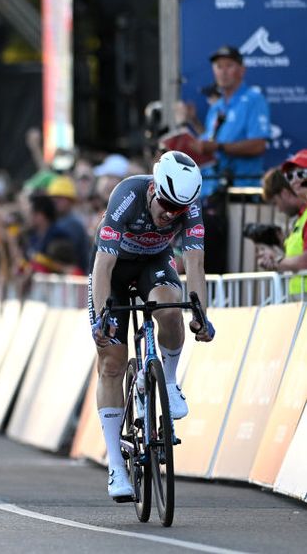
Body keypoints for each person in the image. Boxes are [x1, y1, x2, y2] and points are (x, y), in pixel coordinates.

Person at [88, 151, 215, 501]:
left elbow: (195, 262)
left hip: (153, 264)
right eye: (166, 206)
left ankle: (170, 383)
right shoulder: (126, 195)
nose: (170, 215)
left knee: (171, 311)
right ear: (153, 189)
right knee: (111, 362)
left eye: (178, 210)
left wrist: (200, 315)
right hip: (113, 270)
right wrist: (103, 318)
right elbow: (103, 268)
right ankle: (116, 465)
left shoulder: (188, 207)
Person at [193, 45, 270, 196]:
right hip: (212, 190)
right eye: (219, 66)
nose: (223, 72)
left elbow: (258, 145)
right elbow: (210, 142)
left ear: (242, 70)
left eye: (229, 65)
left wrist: (219, 147)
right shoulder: (216, 107)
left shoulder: (254, 100)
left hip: (241, 192)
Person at [257, 151, 307, 297]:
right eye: (290, 176)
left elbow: (304, 262)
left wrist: (277, 261)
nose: (294, 180)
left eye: (301, 174)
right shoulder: (303, 216)